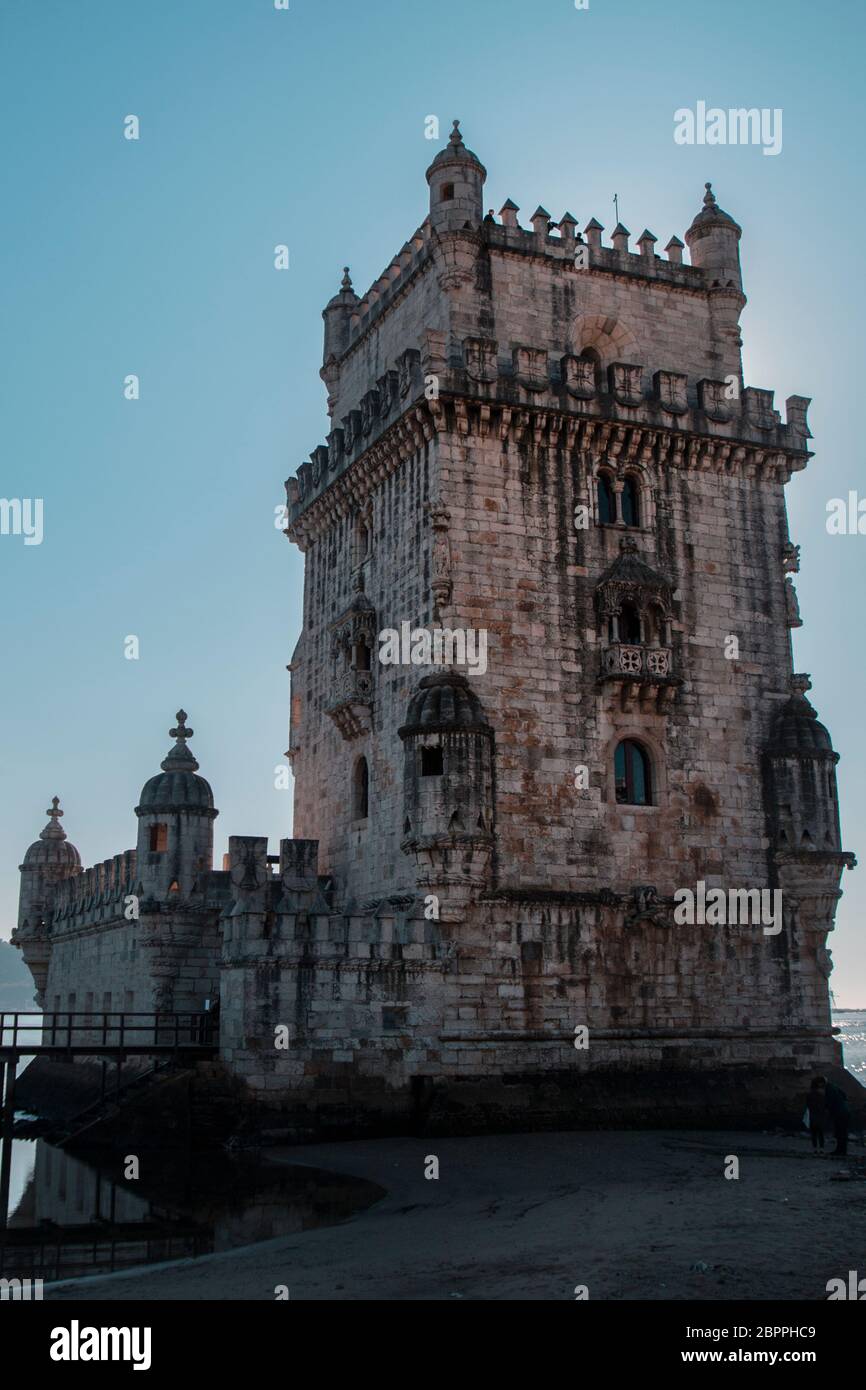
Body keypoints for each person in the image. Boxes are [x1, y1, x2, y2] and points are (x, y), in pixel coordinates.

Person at [823, 1077, 850, 1157]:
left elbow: (829, 1102)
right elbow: (844, 1095)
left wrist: (826, 1109)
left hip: (839, 1113)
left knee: (840, 1132)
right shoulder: (835, 1087)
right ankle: (841, 1150)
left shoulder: (829, 1089)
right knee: (842, 1132)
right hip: (845, 1111)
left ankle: (840, 1151)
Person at [805, 1077, 826, 1154]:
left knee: (814, 1133)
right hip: (819, 1115)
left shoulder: (810, 1095)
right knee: (820, 1133)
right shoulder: (821, 1095)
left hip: (813, 1115)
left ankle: (815, 1148)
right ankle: (821, 1148)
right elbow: (823, 1105)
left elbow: (808, 1105)